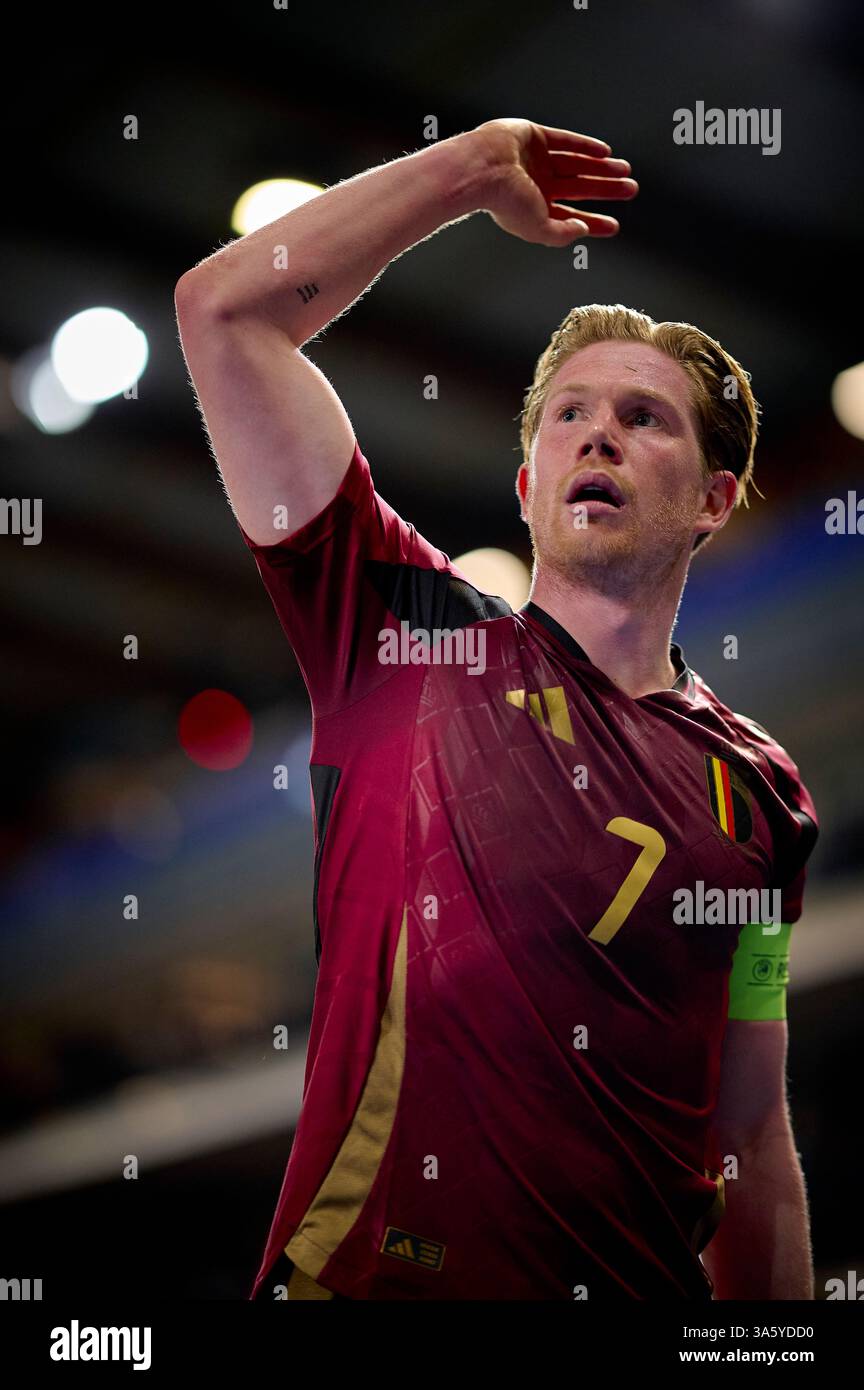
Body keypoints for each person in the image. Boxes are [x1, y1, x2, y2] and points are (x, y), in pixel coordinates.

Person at [175, 118, 819, 1300]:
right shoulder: (405, 635)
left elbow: (751, 1131)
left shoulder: (765, 796)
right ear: (526, 486)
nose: (599, 435)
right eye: (569, 415)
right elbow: (224, 314)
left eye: (645, 418)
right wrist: (463, 173)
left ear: (713, 499)